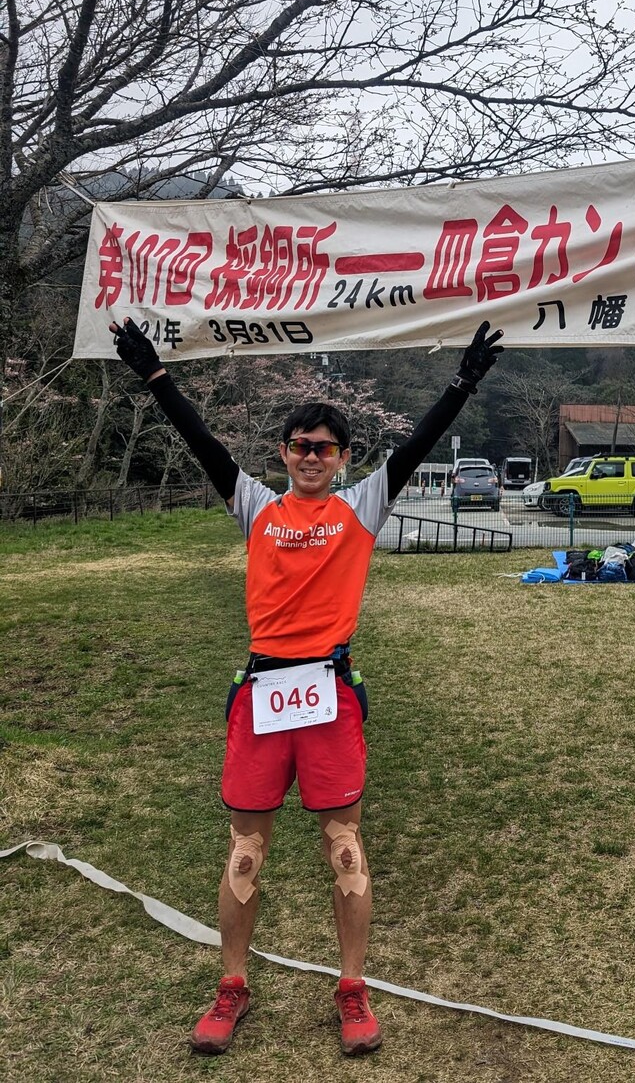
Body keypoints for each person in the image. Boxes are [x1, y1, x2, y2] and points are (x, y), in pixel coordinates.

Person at [110, 316, 503, 1056]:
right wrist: (155, 376)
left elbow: (417, 443)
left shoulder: (361, 506)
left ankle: (352, 992)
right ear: (284, 453)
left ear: (344, 457)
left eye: (324, 448)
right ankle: (232, 988)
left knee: (344, 848)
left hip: (329, 692)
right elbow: (202, 445)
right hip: (263, 693)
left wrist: (463, 380)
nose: (311, 457)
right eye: (299, 446)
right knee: (245, 851)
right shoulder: (257, 506)